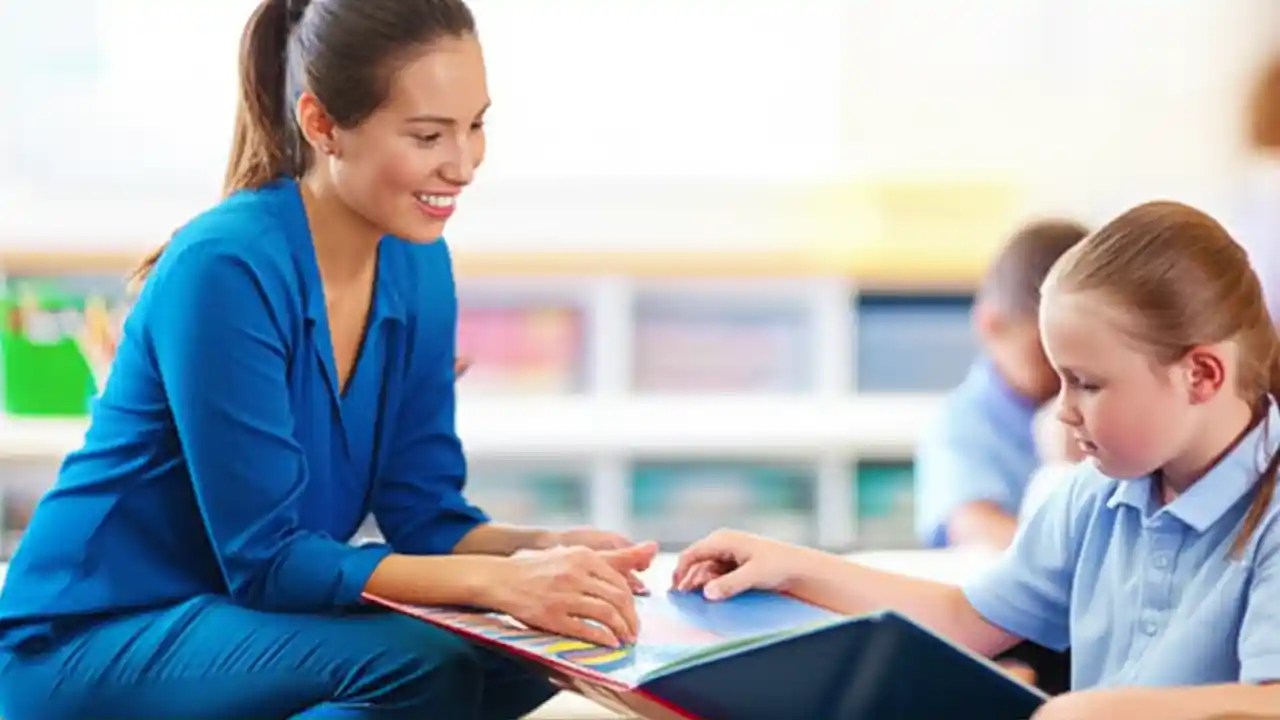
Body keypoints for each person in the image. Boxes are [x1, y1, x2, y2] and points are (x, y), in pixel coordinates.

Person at [0, 1, 657, 718]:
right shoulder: (226, 267)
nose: (463, 164)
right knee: (421, 667)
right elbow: (270, 563)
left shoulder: (419, 263)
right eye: (428, 134)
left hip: (231, 630)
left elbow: (427, 514)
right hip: (87, 641)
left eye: (476, 126)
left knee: (527, 653)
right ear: (322, 126)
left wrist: (543, 553)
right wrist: (496, 584)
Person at [674, 201, 1280, 718]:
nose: (1062, 413)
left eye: (1087, 384)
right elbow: (966, 617)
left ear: (1201, 375)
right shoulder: (1093, 492)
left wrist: (1108, 708)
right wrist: (789, 566)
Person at [915, 218, 1088, 551]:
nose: (1070, 376)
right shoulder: (962, 423)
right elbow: (972, 526)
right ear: (992, 326)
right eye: (1048, 354)